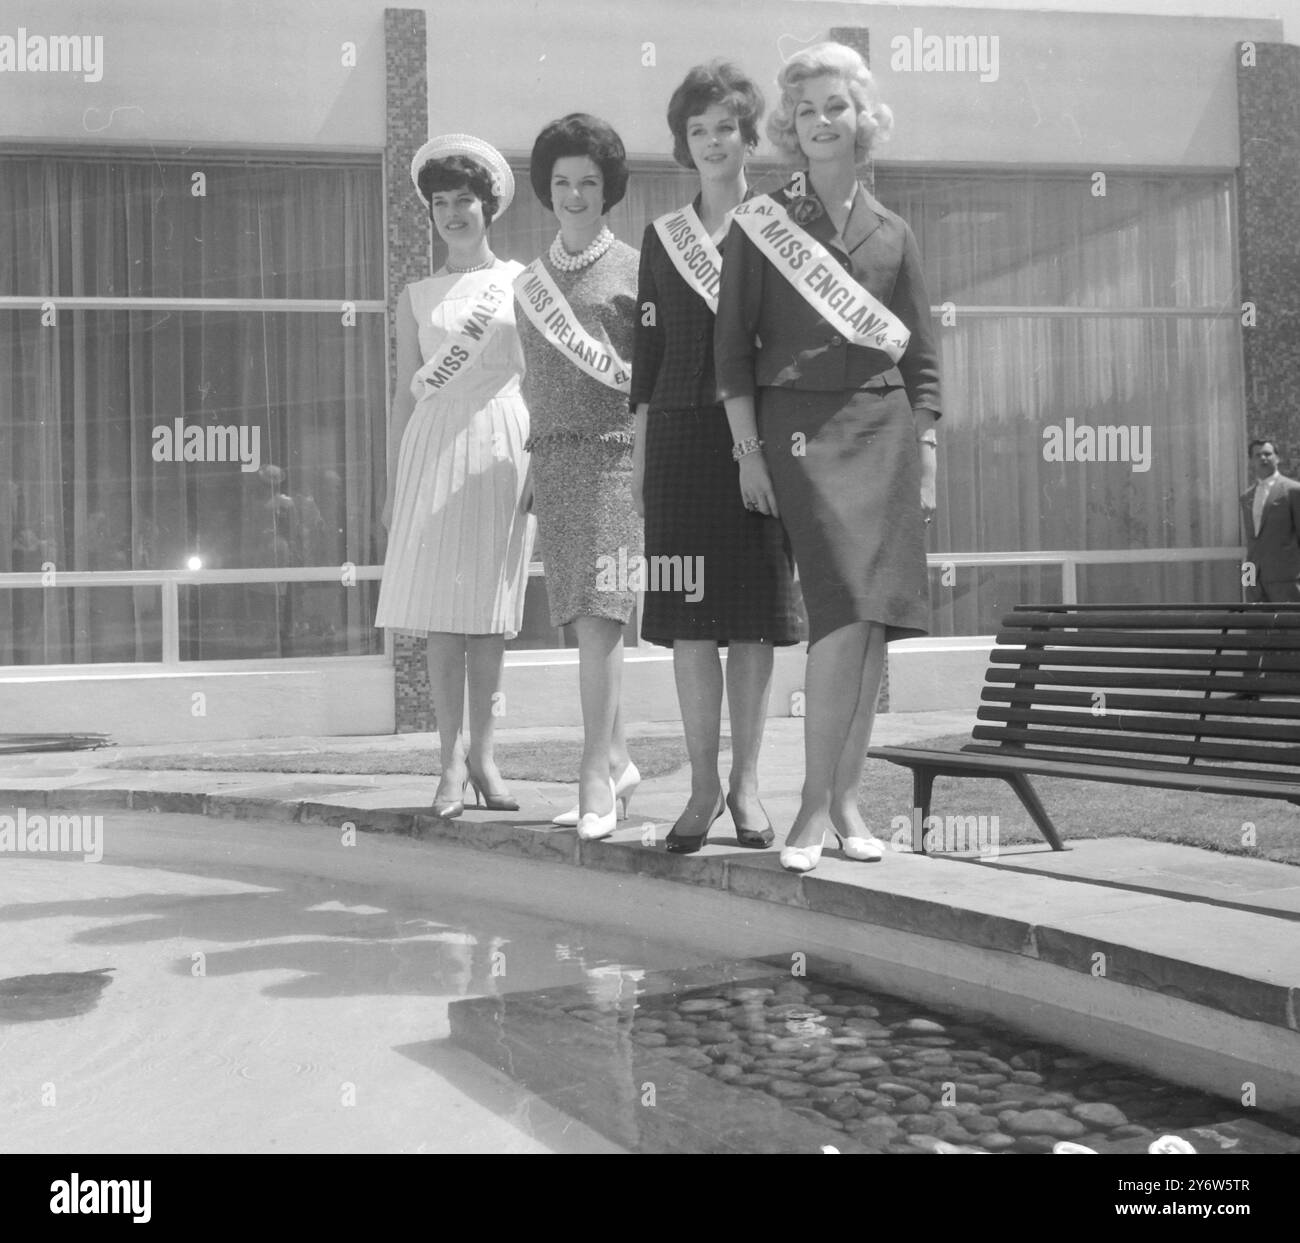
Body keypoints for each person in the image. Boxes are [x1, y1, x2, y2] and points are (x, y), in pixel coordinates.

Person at [714, 42, 941, 874]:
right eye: (803, 109)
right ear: (788, 123)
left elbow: (920, 356)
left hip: (884, 431)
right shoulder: (762, 223)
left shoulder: (894, 232)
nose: (818, 122)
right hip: (800, 434)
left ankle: (846, 801)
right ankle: (813, 803)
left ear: (861, 117)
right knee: (841, 613)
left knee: (871, 623)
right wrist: (748, 452)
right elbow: (731, 353)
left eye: (834, 106)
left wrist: (926, 446)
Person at [630, 61, 803, 854]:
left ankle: (747, 784)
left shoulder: (778, 226)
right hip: (676, 442)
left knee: (754, 624)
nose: (710, 142)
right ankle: (701, 787)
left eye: (723, 127)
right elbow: (647, 354)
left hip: (756, 445)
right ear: (683, 142)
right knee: (692, 624)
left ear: (747, 135)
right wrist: (637, 462)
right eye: (696, 130)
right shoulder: (660, 237)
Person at [375, 134, 535, 820]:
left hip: (502, 437)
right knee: (444, 615)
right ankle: (447, 761)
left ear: (489, 204)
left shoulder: (523, 283)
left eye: (464, 199)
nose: (452, 213)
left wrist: (543, 466)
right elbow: (405, 394)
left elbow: (541, 376)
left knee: (489, 618)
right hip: (434, 442)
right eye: (440, 202)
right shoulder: (416, 294)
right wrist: (391, 485)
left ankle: (485, 756)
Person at [513, 114, 642, 841]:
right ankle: (619, 760)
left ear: (607, 189)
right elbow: (537, 380)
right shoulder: (532, 282)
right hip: (556, 461)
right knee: (581, 621)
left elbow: (647, 377)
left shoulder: (633, 264)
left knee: (601, 616)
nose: (573, 194)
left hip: (615, 455)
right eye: (562, 182)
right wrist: (533, 461)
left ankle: (594, 772)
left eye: (588, 182)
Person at [1240, 438, 1300, 602]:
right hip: (1254, 581)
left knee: (1289, 627)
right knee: (1256, 626)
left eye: (1267, 454)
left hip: (1286, 581)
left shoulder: (1293, 491)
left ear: (1277, 458)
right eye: (1257, 455)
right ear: (1251, 461)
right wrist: (1248, 580)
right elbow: (1252, 543)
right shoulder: (1246, 497)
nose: (1263, 458)